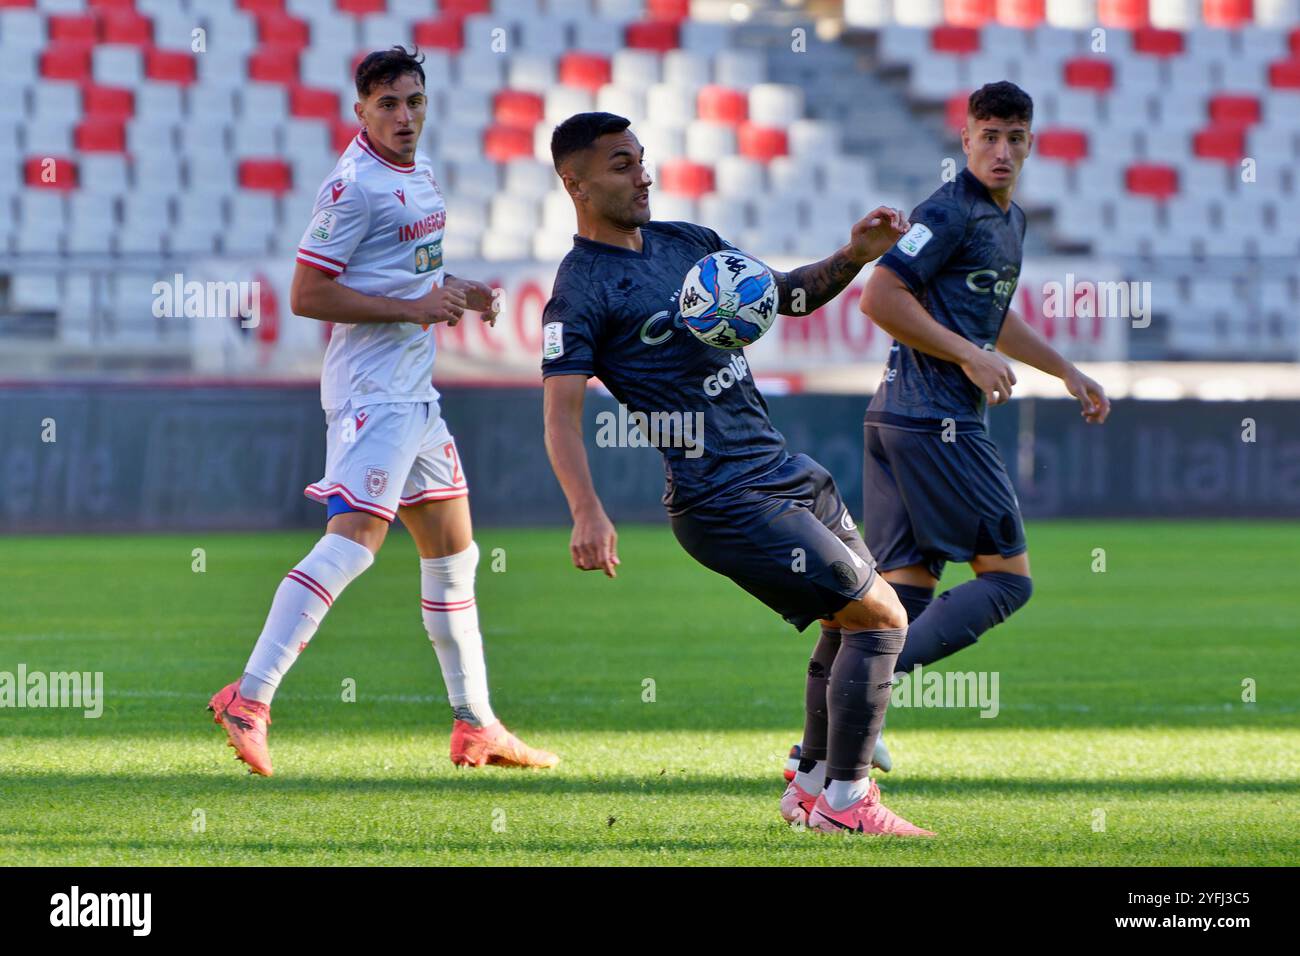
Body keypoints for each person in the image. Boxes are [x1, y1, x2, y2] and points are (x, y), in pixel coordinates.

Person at [540, 111, 931, 836]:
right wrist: (586, 511)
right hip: (720, 498)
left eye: (642, 159)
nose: (643, 174)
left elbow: (788, 293)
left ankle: (812, 781)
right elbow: (561, 414)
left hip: (784, 470)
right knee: (881, 620)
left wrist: (855, 253)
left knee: (852, 622)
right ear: (577, 182)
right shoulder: (581, 289)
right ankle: (847, 805)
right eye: (622, 164)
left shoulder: (687, 243)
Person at [208, 46, 557, 776]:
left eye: (415, 103)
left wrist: (463, 291)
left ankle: (477, 726)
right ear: (360, 109)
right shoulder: (352, 189)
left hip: (415, 396)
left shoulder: (420, 175)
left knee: (455, 556)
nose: (405, 117)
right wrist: (416, 308)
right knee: (354, 543)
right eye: (389, 105)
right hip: (373, 394)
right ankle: (251, 695)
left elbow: (414, 278)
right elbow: (307, 296)